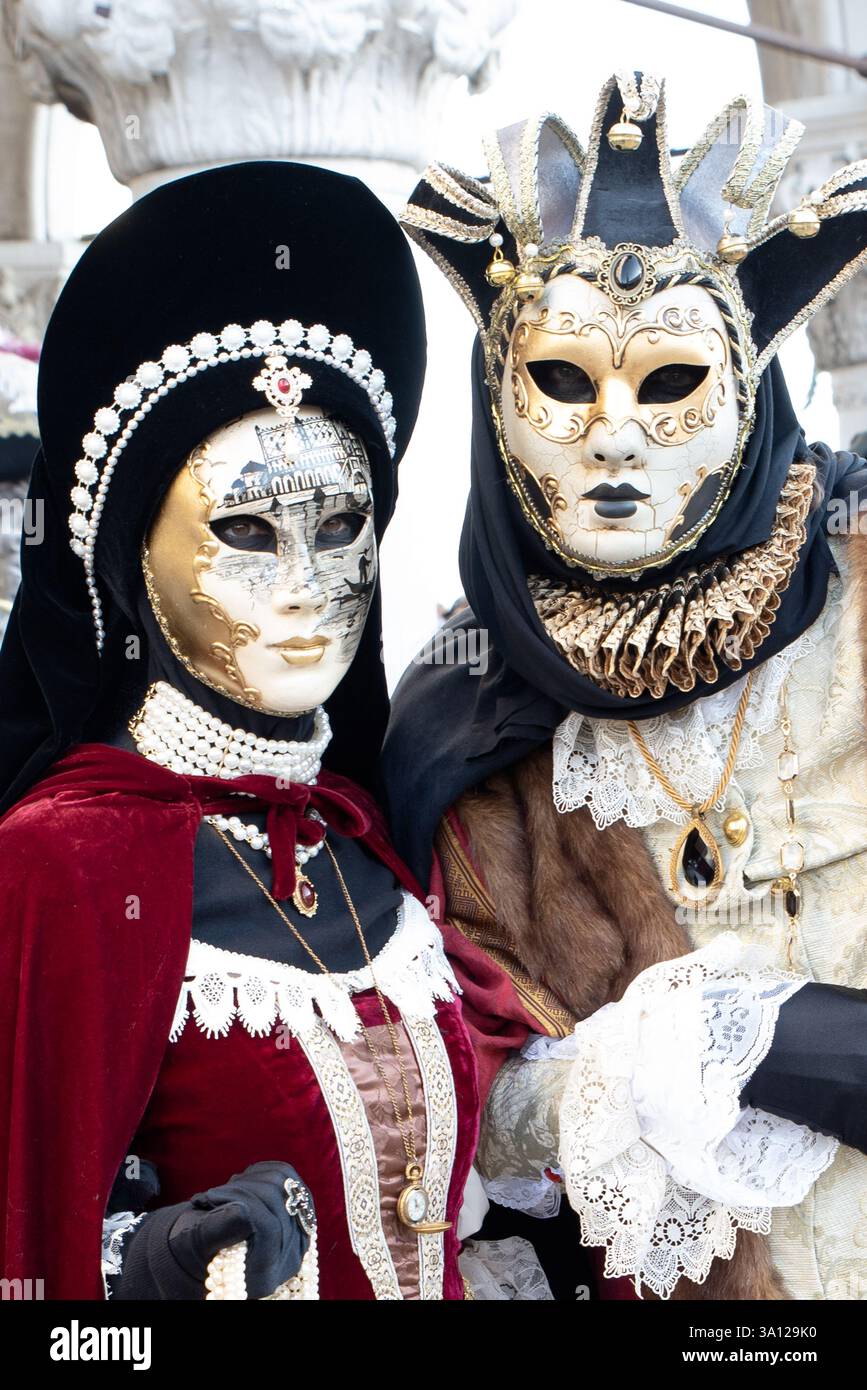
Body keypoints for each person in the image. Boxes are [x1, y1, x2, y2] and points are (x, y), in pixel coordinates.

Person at [384, 73, 867, 1300]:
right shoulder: (468, 721)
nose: (609, 435)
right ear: (501, 404)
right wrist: (701, 1051)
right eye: (559, 380)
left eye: (667, 383)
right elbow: (461, 1098)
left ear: (748, 386)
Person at [0, 160, 479, 1301]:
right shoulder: (62, 865)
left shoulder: (364, 843)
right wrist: (150, 1271)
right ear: (130, 557)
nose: (311, 585)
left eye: (345, 522)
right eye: (249, 529)